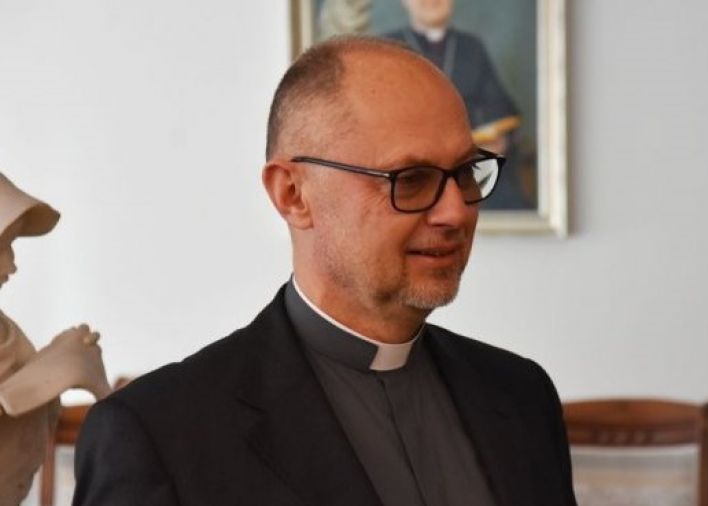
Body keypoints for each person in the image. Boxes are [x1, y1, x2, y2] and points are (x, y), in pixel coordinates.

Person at [73, 36, 576, 506]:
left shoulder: (521, 394)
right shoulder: (158, 435)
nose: (456, 212)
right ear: (293, 194)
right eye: (411, 179)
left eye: (465, 172)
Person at [0, 173, 110, 505]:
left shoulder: (8, 333)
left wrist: (66, 360)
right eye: (1, 247)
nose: (11, 265)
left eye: (11, 246)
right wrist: (48, 372)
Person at [382, 0, 532, 209]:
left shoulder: (471, 48)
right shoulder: (387, 48)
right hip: (408, 165)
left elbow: (499, 107)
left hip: (468, 161)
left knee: (509, 203)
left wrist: (495, 136)